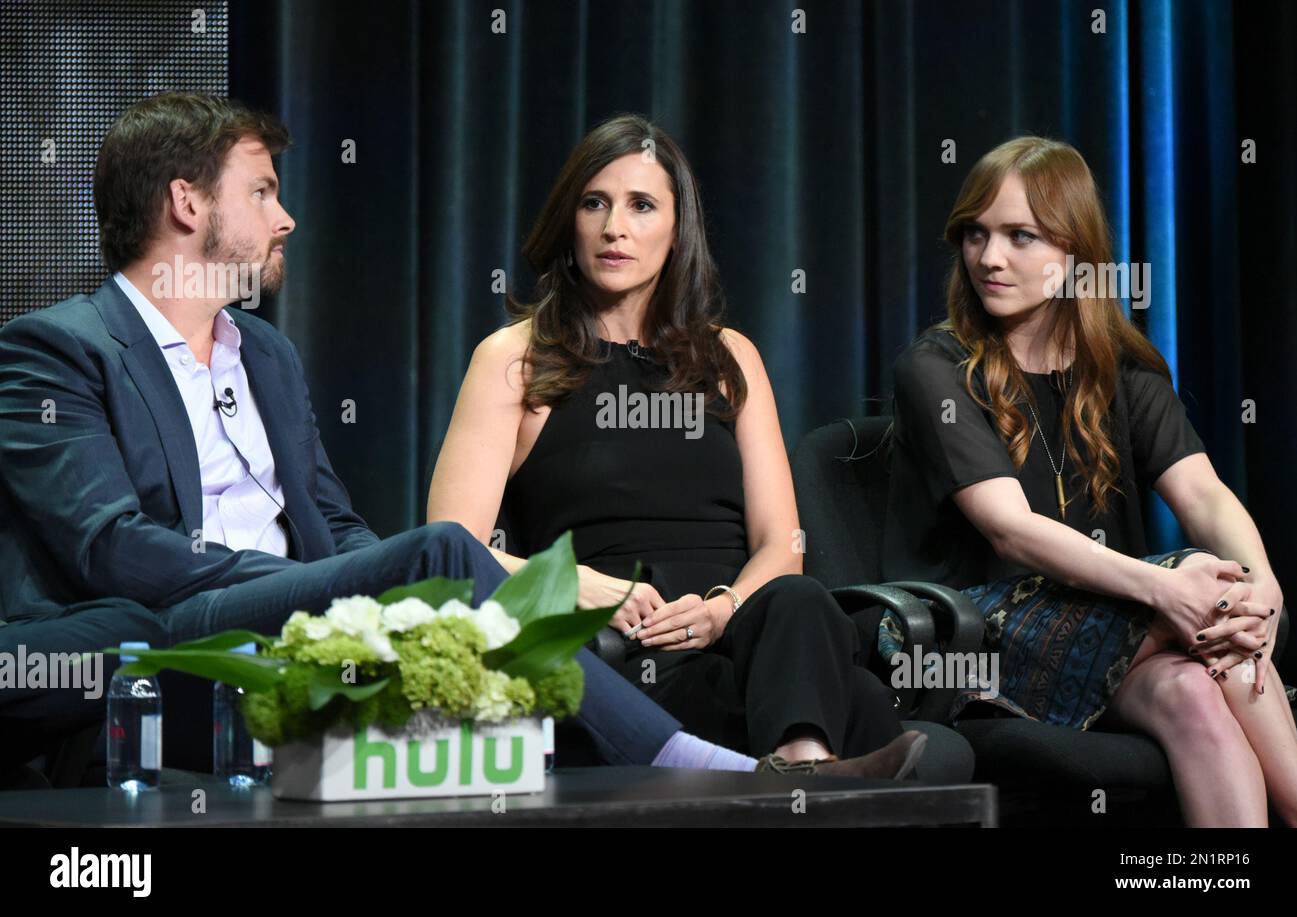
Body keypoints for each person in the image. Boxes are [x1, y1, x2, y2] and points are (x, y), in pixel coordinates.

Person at [0, 91, 909, 781]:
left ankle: (824, 763)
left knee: (831, 649)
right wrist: (327, 583)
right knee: (441, 547)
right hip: (181, 620)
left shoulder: (264, 353)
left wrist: (373, 576)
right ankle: (702, 766)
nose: (287, 218)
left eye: (642, 206)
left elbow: (337, 526)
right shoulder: (59, 348)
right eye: (265, 192)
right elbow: (109, 545)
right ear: (187, 205)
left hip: (308, 614)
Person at [427, 113, 938, 779]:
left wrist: (725, 608)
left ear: (676, 229)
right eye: (594, 203)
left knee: (800, 599)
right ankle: (804, 770)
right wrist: (576, 585)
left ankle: (796, 775)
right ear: (569, 220)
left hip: (747, 638)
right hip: (620, 653)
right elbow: (448, 551)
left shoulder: (730, 358)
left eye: (641, 205)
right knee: (861, 701)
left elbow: (782, 545)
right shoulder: (514, 359)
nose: (615, 227)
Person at [882, 135, 1297, 826]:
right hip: (969, 637)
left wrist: (1265, 582)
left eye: (1021, 236)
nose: (990, 258)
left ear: (1074, 252)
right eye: (977, 234)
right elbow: (1009, 530)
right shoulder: (936, 367)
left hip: (1117, 628)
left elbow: (1203, 494)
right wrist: (1171, 586)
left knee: (1194, 687)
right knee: (1206, 587)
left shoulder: (1122, 366)